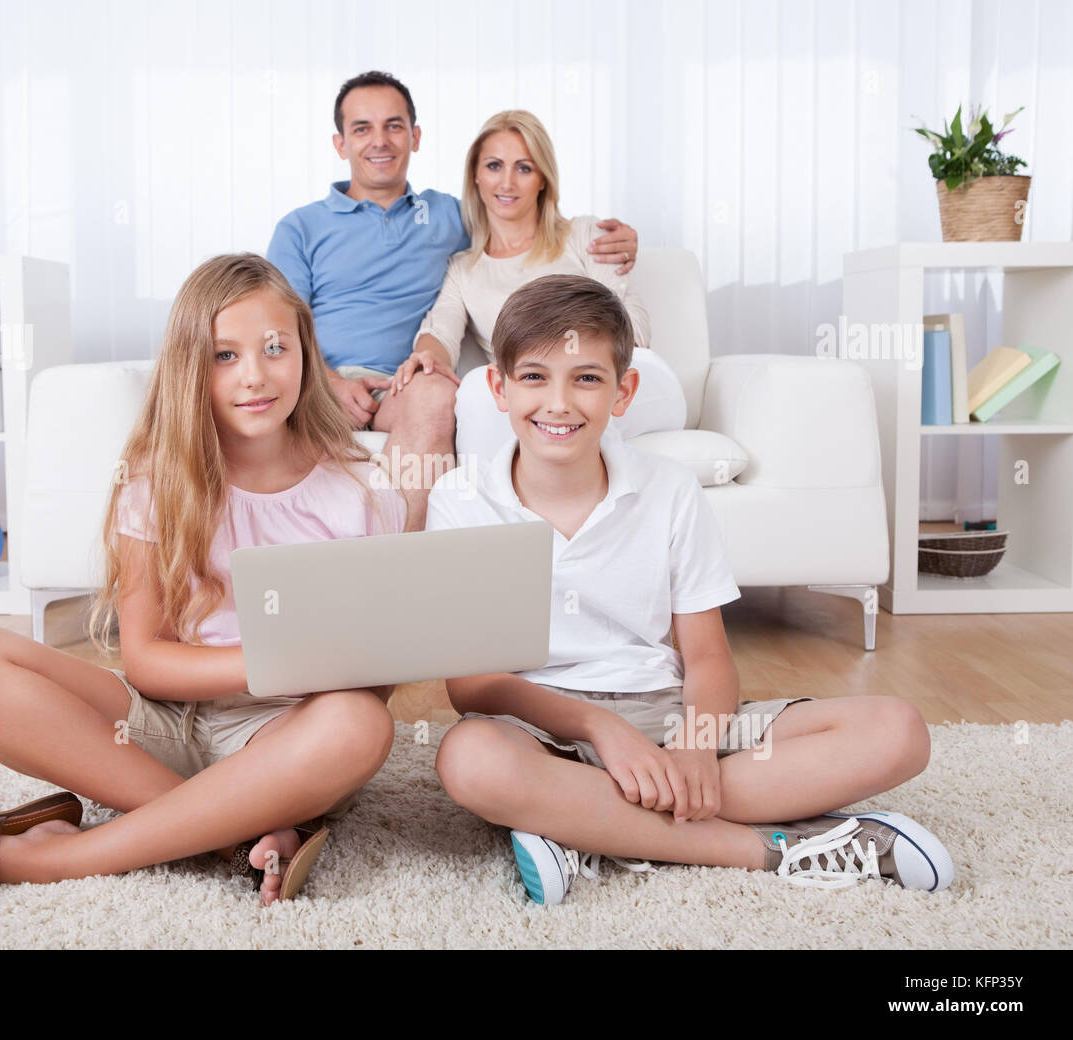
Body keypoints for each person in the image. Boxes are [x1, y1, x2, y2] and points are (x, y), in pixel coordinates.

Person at [0, 254, 406, 907]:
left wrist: (343, 666)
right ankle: (225, 831)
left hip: (285, 739)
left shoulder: (360, 490)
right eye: (225, 356)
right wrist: (273, 661)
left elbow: (377, 674)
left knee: (359, 725)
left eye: (275, 349)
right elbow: (147, 663)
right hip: (160, 729)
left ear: (305, 352)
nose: (257, 375)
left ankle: (52, 859)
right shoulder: (156, 484)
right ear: (190, 368)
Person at [425, 274, 953, 905]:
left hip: (666, 713)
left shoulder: (670, 489)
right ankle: (769, 848)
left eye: (587, 378)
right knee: (469, 759)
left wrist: (698, 748)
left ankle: (583, 825)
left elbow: (705, 656)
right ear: (498, 388)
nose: (558, 403)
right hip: (537, 726)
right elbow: (471, 687)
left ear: (624, 393)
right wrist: (598, 728)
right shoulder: (461, 498)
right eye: (534, 377)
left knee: (897, 731)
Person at [267, 71, 639, 531]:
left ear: (415, 136)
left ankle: (411, 563)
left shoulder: (449, 216)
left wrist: (617, 241)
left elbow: (513, 221)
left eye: (394, 126)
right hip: (317, 382)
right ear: (340, 144)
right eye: (362, 128)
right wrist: (329, 386)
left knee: (435, 392)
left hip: (398, 387)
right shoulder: (300, 228)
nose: (379, 141)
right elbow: (279, 325)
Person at [395, 109, 687, 465]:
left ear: (543, 179)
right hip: (535, 396)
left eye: (524, 168)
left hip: (619, 380)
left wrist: (568, 363)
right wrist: (427, 357)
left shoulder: (586, 236)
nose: (507, 183)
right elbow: (439, 331)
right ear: (475, 175)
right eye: (493, 166)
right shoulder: (464, 268)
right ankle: (506, 515)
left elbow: (636, 333)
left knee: (557, 403)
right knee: (477, 390)